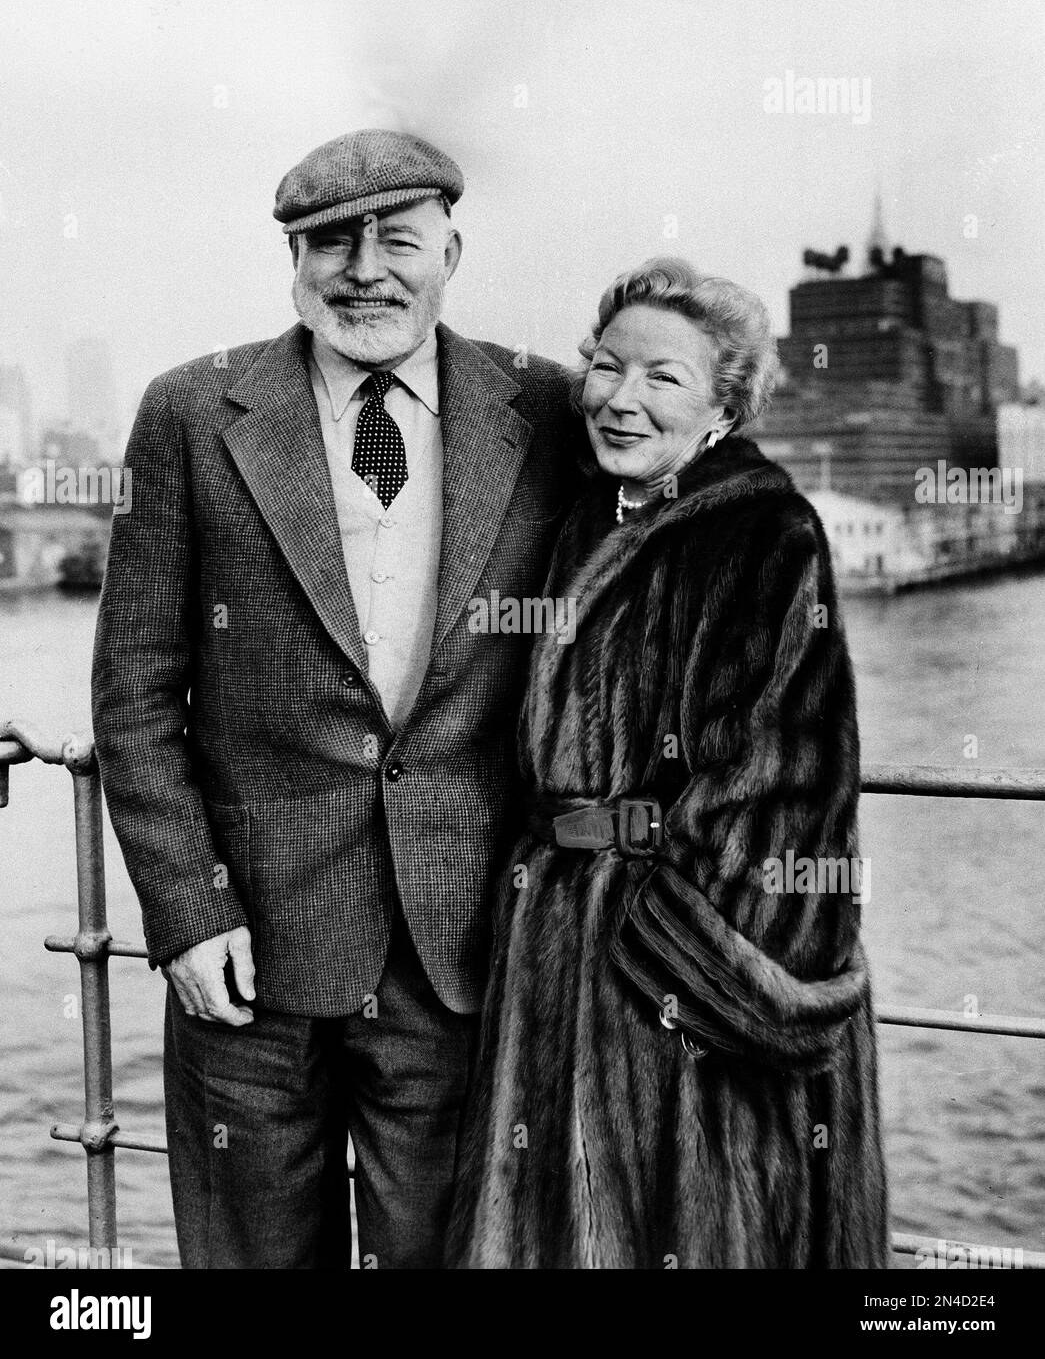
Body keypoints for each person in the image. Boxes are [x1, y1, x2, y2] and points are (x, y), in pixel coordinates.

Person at [91, 129, 579, 1268]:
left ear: (450, 249)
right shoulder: (189, 413)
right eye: (329, 243)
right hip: (245, 957)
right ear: (294, 262)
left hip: (460, 955)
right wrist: (185, 909)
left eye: (397, 239)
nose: (365, 270)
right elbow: (133, 688)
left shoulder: (548, 409)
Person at [447, 257, 889, 1268]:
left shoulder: (762, 531)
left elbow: (782, 785)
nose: (622, 397)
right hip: (564, 950)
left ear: (723, 409)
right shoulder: (590, 521)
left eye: (663, 378)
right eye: (606, 367)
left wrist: (681, 963)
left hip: (676, 980)